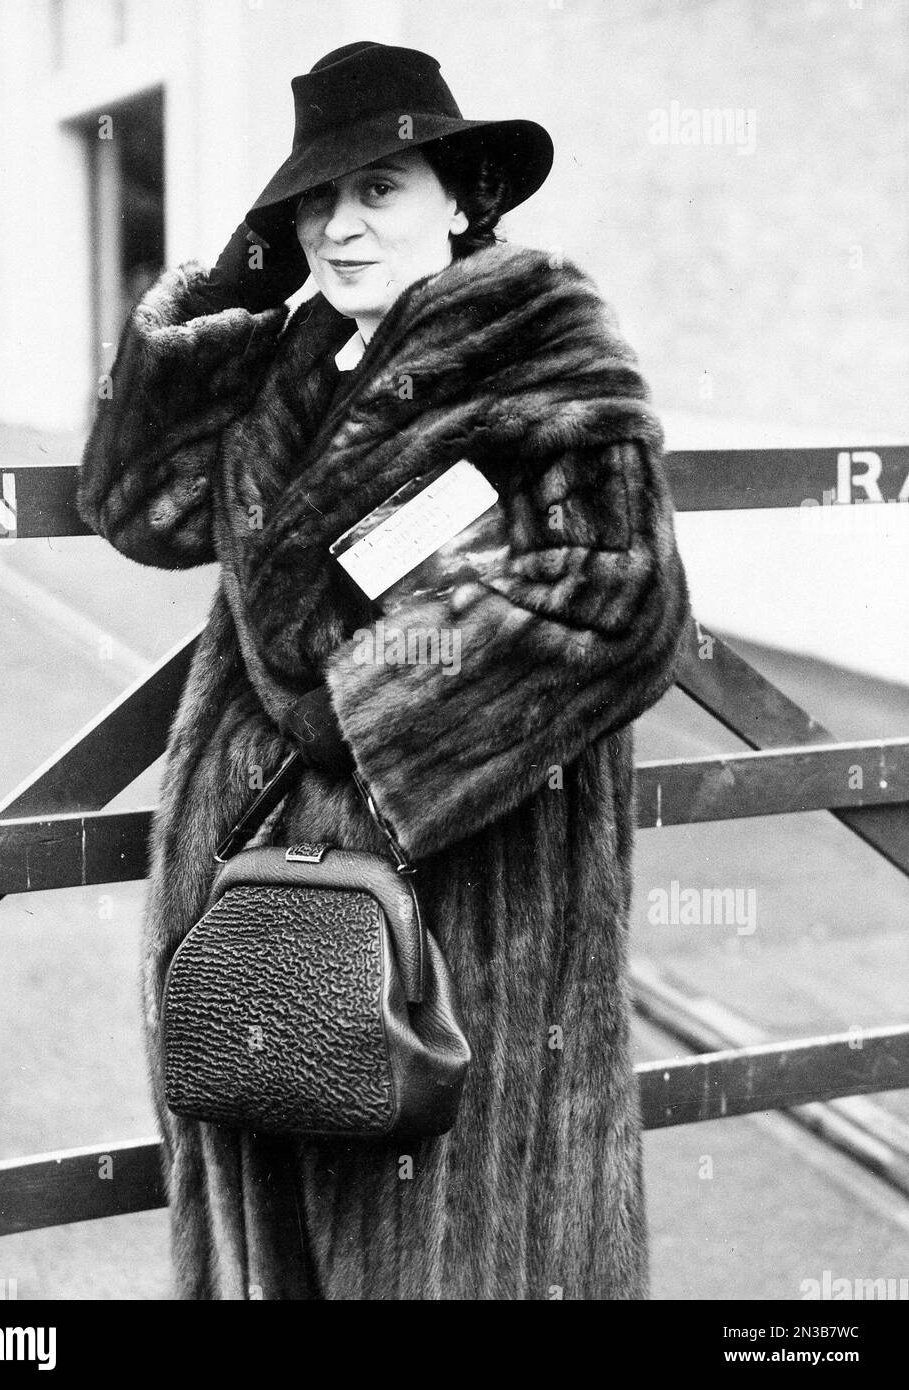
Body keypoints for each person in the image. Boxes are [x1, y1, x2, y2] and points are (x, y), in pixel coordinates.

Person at [78, 40, 691, 1301]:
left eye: (378, 190)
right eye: (313, 202)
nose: (338, 230)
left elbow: (619, 596)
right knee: (287, 1244)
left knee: (449, 1250)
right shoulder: (296, 357)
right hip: (262, 902)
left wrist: (363, 720)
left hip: (459, 902)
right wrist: (225, 296)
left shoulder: (541, 337)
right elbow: (136, 500)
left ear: (463, 197)